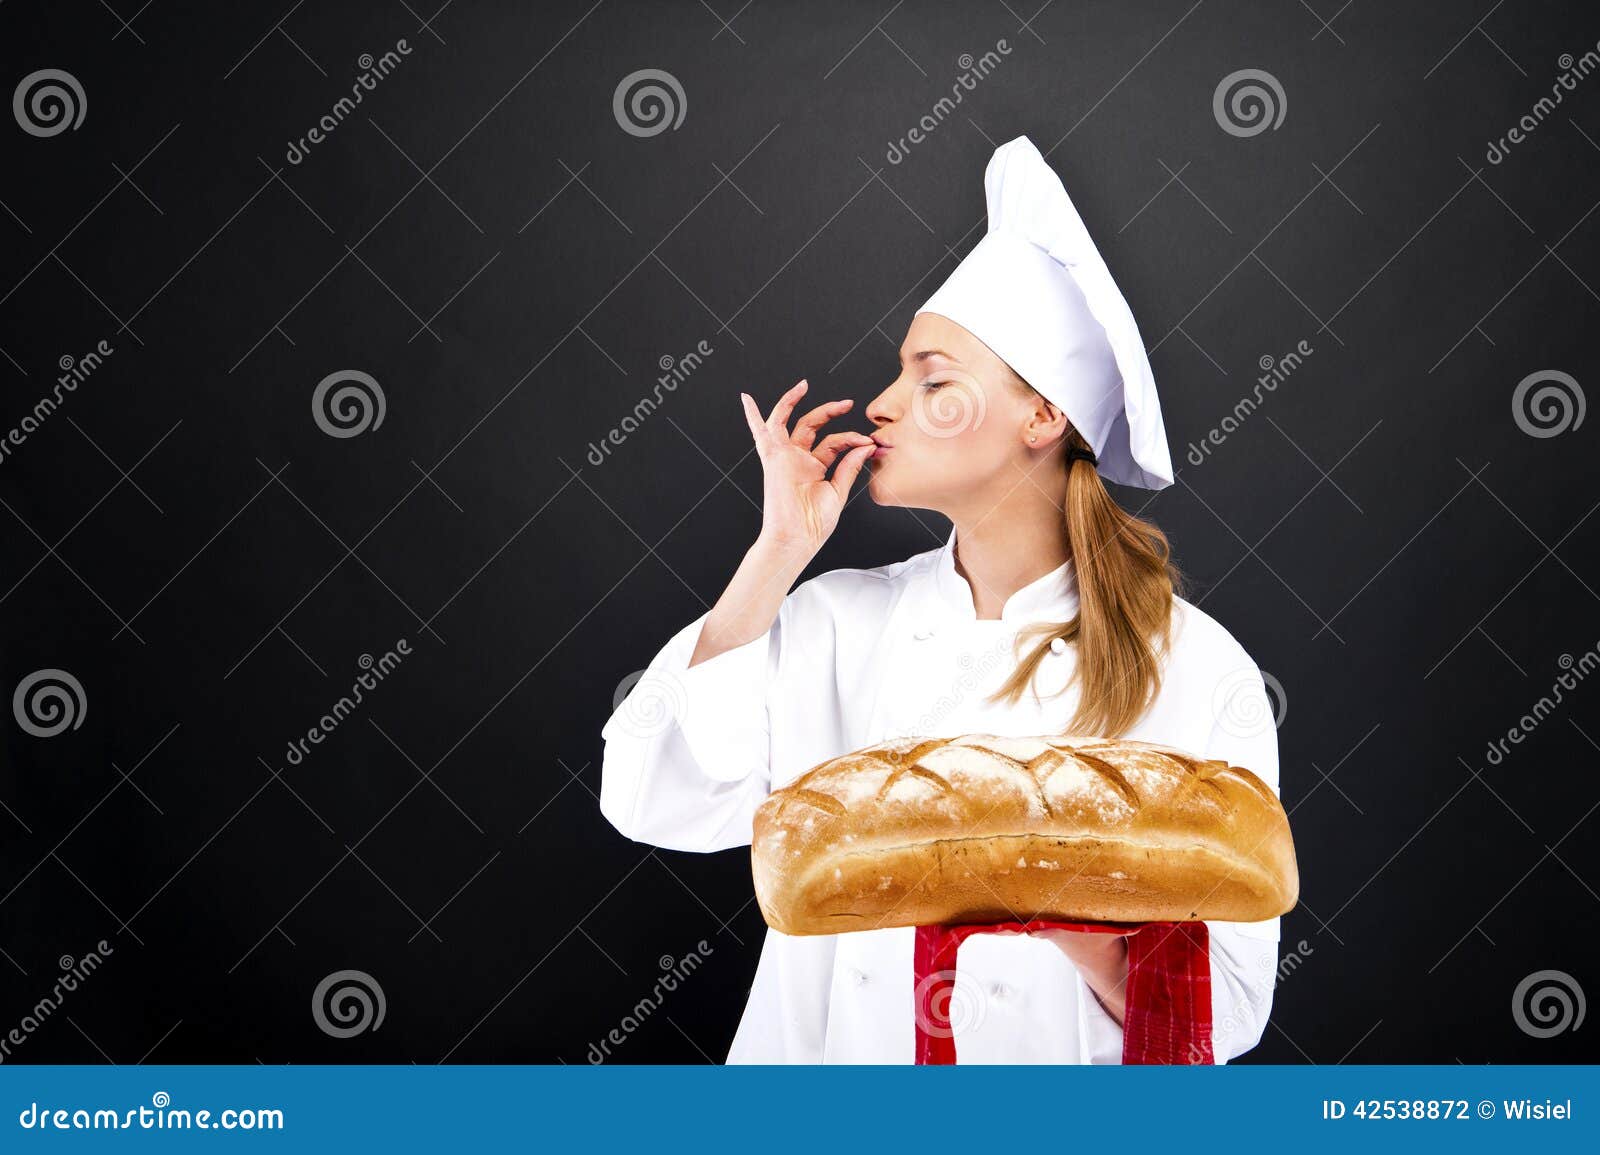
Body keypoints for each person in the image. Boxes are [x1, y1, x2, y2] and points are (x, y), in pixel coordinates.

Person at [599, 136, 1282, 1063]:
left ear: (1042, 416)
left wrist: (1043, 894)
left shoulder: (1194, 667)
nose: (880, 405)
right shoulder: (834, 623)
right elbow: (648, 794)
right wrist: (777, 553)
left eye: (931, 381)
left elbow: (1228, 1012)